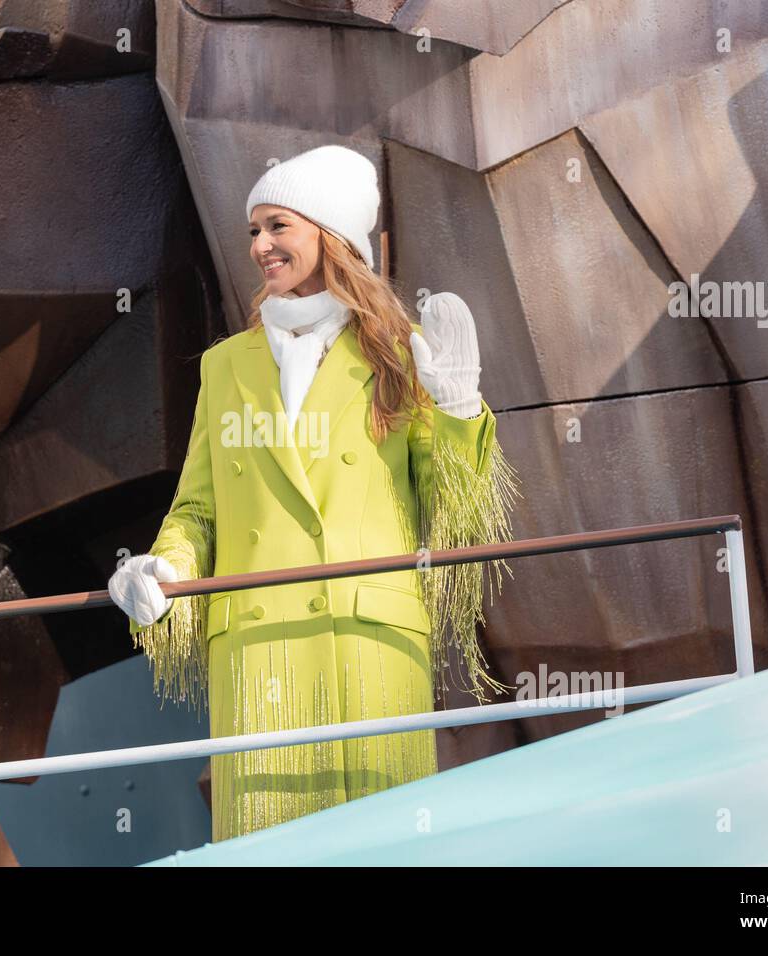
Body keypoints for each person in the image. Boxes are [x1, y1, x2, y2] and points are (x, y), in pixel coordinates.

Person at [108, 144, 521, 843]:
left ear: (329, 236)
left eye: (279, 226)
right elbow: (199, 508)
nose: (261, 246)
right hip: (260, 647)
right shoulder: (224, 366)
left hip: (372, 643)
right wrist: (164, 567)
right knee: (269, 850)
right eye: (254, 231)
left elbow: (453, 509)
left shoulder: (400, 351)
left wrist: (458, 413)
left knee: (383, 849)